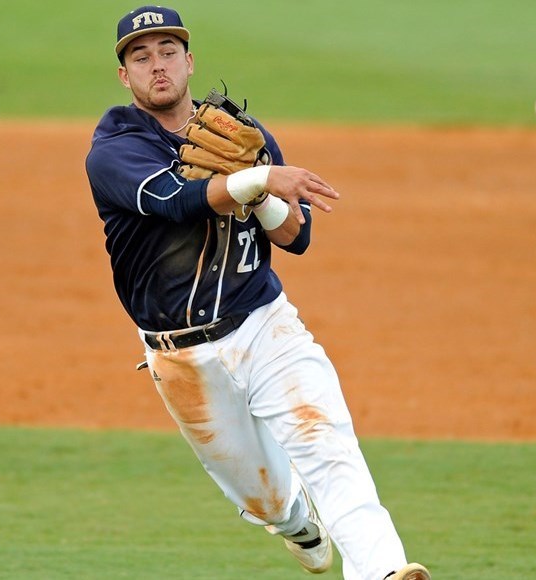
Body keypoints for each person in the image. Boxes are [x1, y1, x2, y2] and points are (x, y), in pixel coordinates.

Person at [84, 6, 431, 580]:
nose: (157, 65)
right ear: (125, 76)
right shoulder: (115, 147)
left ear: (189, 61)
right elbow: (175, 202)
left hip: (265, 324)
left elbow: (296, 236)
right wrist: (258, 179)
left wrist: (260, 188)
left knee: (326, 444)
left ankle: (382, 570)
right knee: (265, 495)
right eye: (141, 57)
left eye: (168, 52)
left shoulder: (239, 132)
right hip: (182, 357)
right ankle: (297, 526)